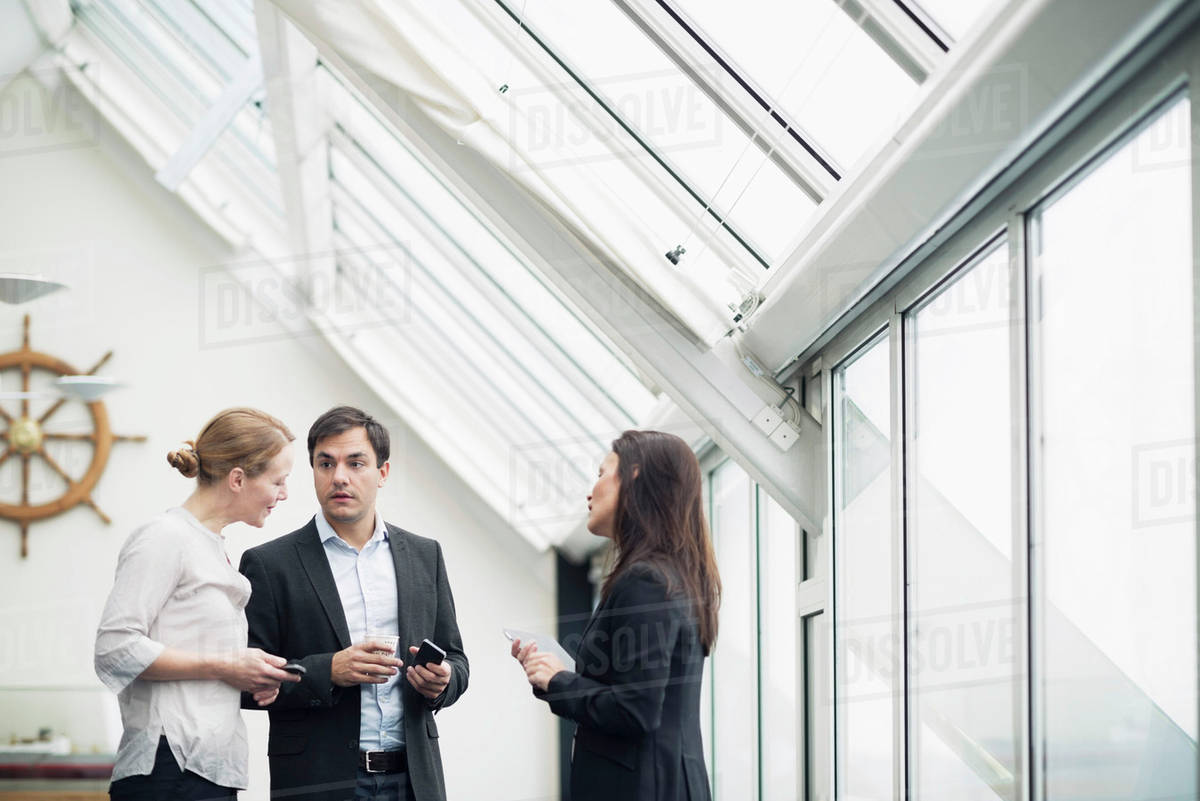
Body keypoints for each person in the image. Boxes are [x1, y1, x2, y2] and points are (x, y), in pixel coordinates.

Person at [239, 406, 468, 801]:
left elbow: (457, 660)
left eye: (356, 463)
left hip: (414, 781)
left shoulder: (424, 555)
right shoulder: (269, 564)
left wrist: (443, 682)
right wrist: (328, 671)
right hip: (318, 782)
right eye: (325, 463)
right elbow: (245, 683)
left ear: (383, 472)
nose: (339, 477)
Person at [95, 407, 300, 801]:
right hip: (168, 768)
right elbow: (114, 650)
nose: (284, 493)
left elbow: (196, 653)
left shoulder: (211, 546)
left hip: (204, 770)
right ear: (237, 479)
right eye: (278, 481)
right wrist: (226, 665)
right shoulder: (165, 537)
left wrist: (250, 675)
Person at [511, 430, 721, 801]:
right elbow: (638, 691)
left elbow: (635, 710)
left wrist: (560, 680)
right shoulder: (675, 576)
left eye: (601, 474)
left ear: (634, 478)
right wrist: (553, 674)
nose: (590, 492)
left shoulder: (646, 580)